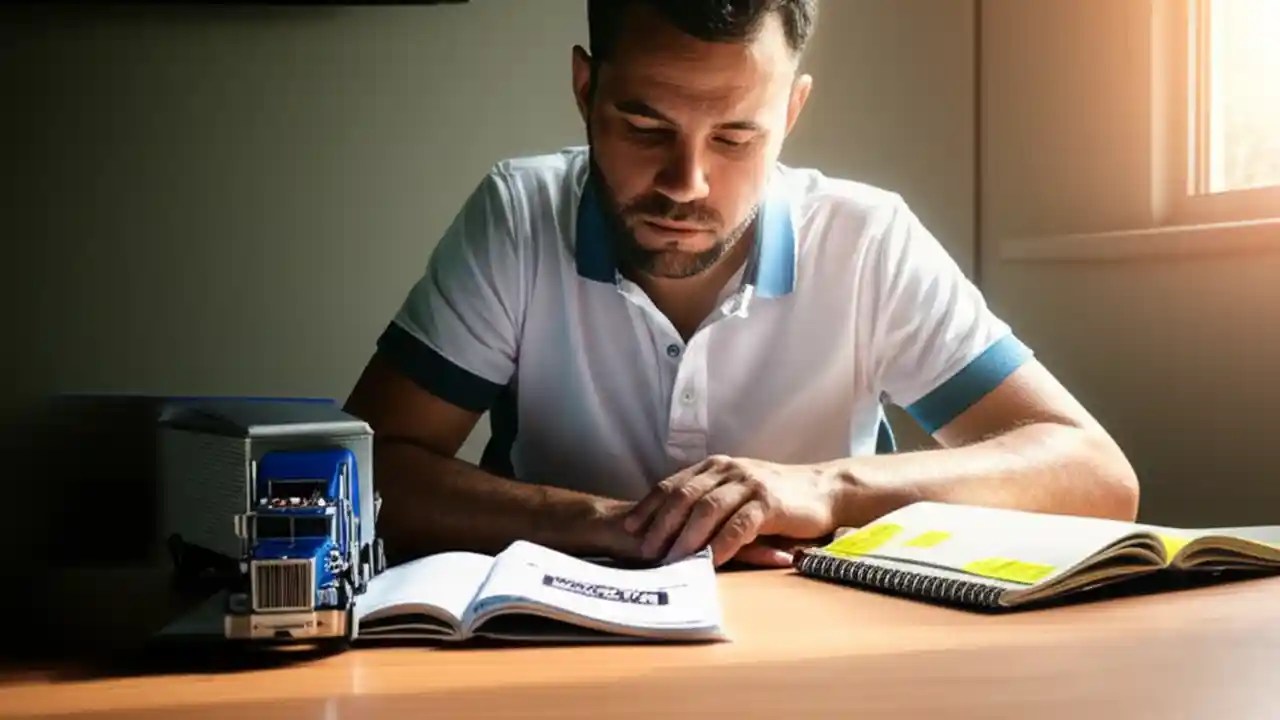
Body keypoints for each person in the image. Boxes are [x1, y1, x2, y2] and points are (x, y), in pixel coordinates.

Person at [344, 0, 1139, 569]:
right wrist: (609, 524)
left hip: (826, 651)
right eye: (646, 127)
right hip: (550, 646)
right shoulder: (519, 216)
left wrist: (825, 489)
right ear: (586, 90)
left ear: (791, 112)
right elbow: (366, 468)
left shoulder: (865, 240)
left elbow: (1094, 477)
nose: (686, 183)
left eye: (735, 135)